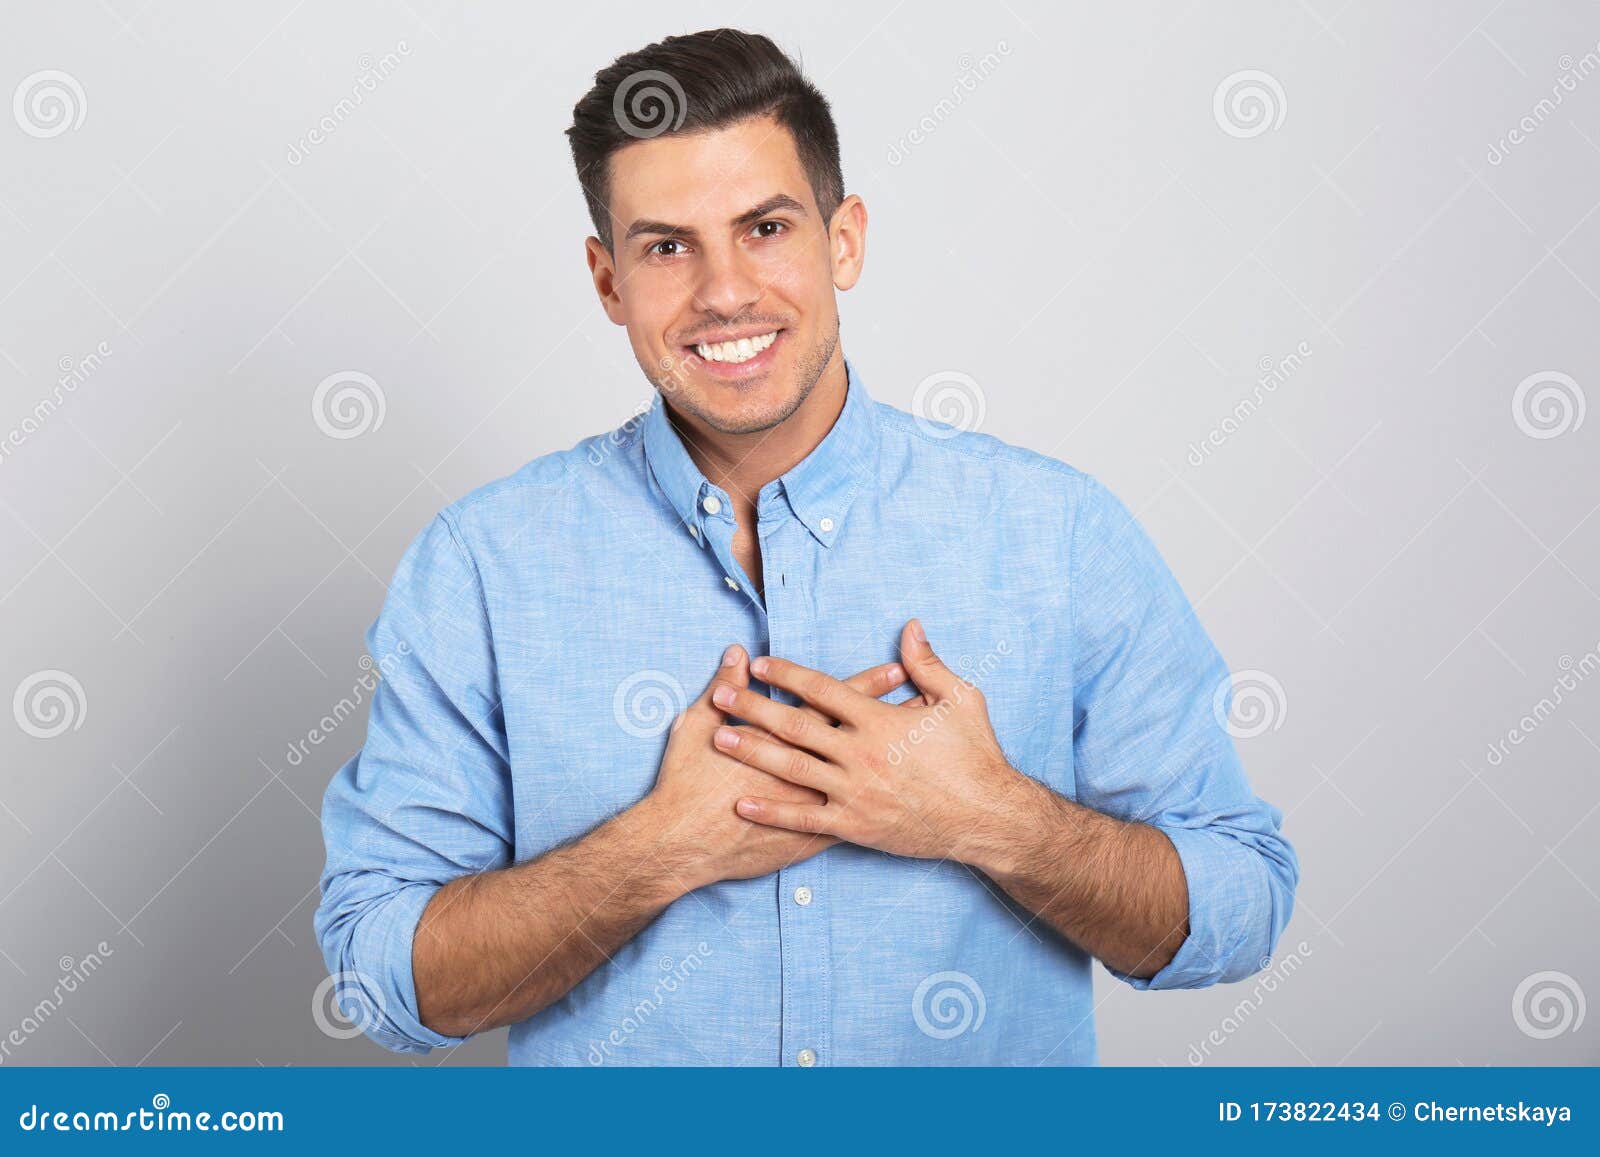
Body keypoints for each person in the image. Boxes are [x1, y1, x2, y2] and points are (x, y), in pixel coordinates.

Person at [314, 27, 1298, 1066]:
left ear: (843, 241)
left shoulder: (1057, 533)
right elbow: (382, 981)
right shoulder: (481, 566)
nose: (724, 291)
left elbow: (1242, 902)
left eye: (765, 227)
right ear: (608, 282)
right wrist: (657, 849)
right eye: (664, 246)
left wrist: (996, 818)